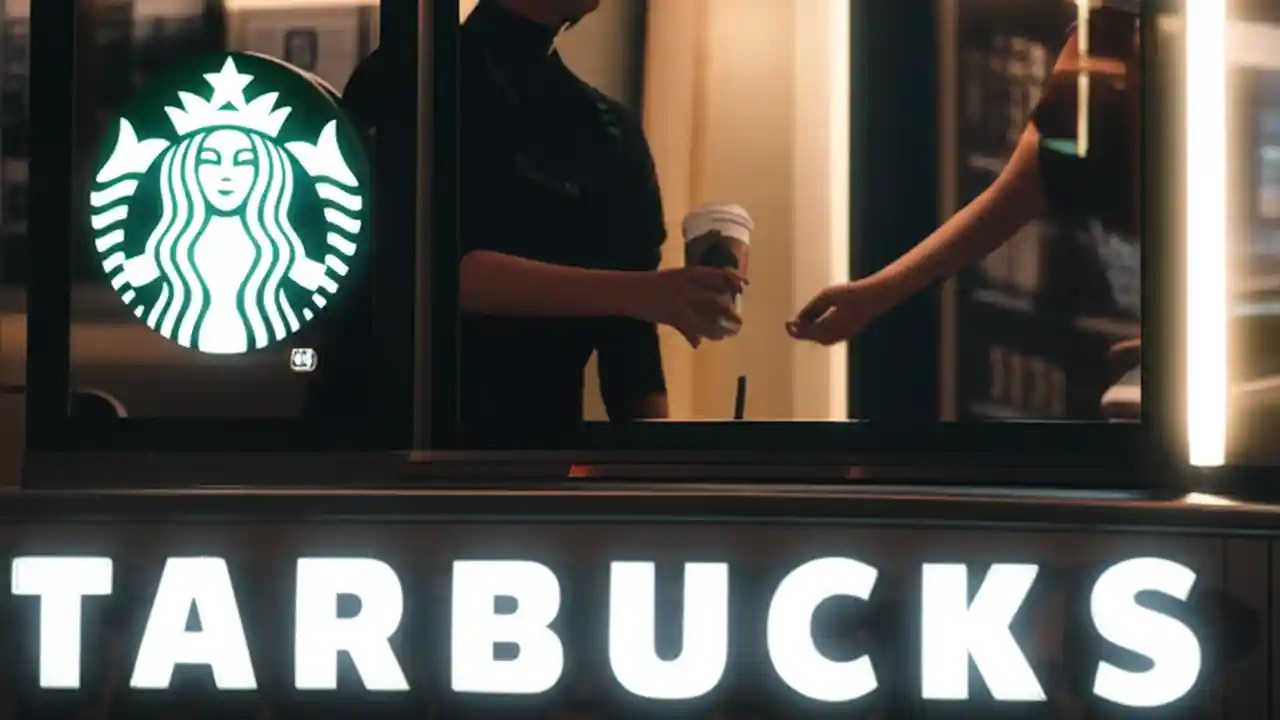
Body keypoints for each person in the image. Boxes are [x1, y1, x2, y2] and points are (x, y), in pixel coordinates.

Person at [459, 0, 744, 436]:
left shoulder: (607, 128)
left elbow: (631, 349)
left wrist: (660, 473)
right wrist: (640, 293)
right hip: (401, 464)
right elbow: (426, 278)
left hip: (541, 464)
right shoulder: (417, 84)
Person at [789, 2, 1140, 350]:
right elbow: (1034, 175)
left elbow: (1034, 175)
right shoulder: (1113, 25)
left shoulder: (1117, 25)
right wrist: (877, 293)